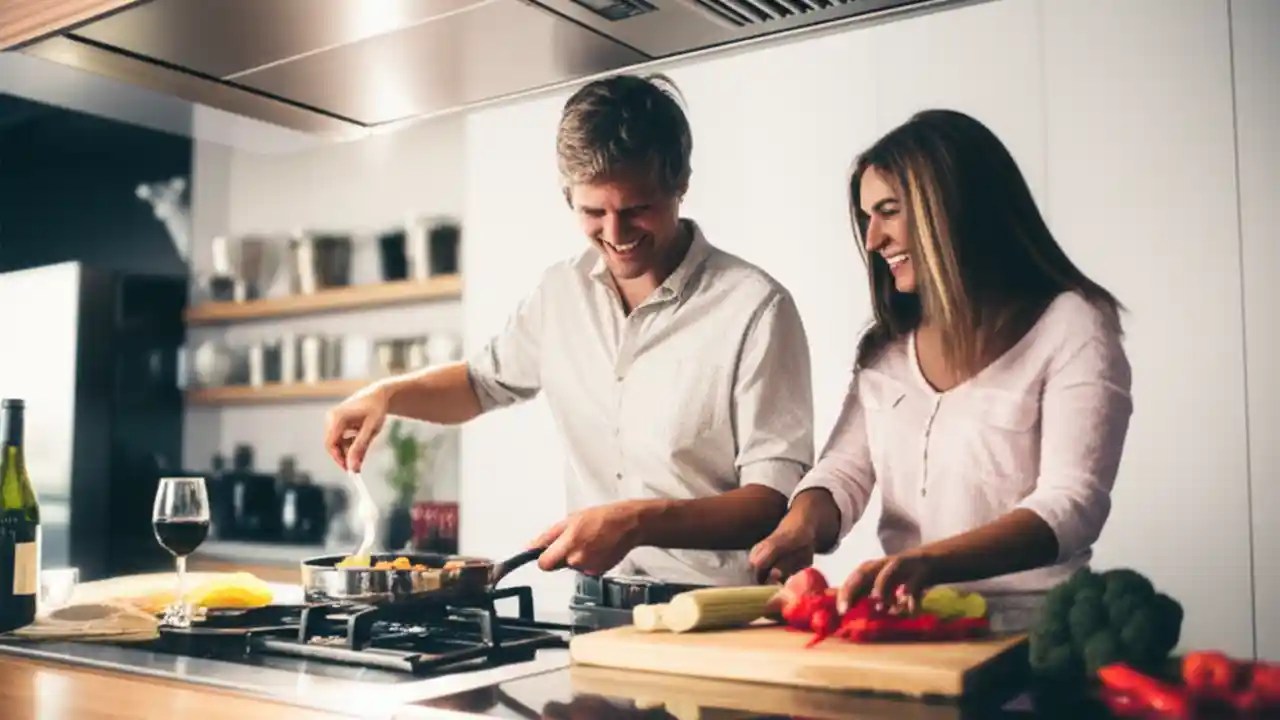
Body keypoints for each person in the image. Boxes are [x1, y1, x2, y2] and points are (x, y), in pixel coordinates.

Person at [324, 73, 814, 587]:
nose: (616, 234)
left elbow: (772, 502)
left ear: (679, 185)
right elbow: (479, 385)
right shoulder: (560, 292)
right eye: (593, 212)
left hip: (719, 613)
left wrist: (637, 521)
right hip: (595, 605)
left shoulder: (755, 307)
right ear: (568, 199)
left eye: (636, 210)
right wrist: (387, 394)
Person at [750, 109, 1133, 622]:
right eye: (868, 217)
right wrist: (800, 524)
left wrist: (930, 562)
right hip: (913, 628)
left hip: (1027, 637)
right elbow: (841, 472)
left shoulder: (1074, 323)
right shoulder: (887, 349)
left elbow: (1072, 503)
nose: (872, 240)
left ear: (952, 208)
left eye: (888, 211)